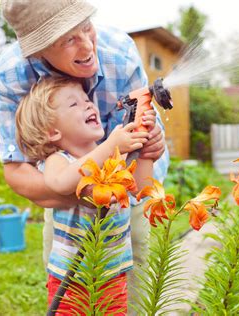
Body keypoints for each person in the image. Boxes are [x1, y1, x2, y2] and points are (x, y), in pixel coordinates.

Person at [0, 0, 168, 302]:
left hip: (119, 236)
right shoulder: (12, 75)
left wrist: (149, 151)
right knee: (69, 301)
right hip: (68, 227)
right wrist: (100, 181)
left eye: (87, 27)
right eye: (69, 39)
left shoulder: (120, 55)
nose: (88, 47)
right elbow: (23, 171)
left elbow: (137, 187)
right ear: (38, 48)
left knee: (132, 302)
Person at [15, 76, 154, 313]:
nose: (89, 105)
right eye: (74, 104)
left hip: (113, 275)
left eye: (87, 100)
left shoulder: (113, 157)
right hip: (72, 280)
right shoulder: (58, 160)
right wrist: (110, 145)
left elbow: (140, 188)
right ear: (52, 132)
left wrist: (145, 146)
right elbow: (61, 183)